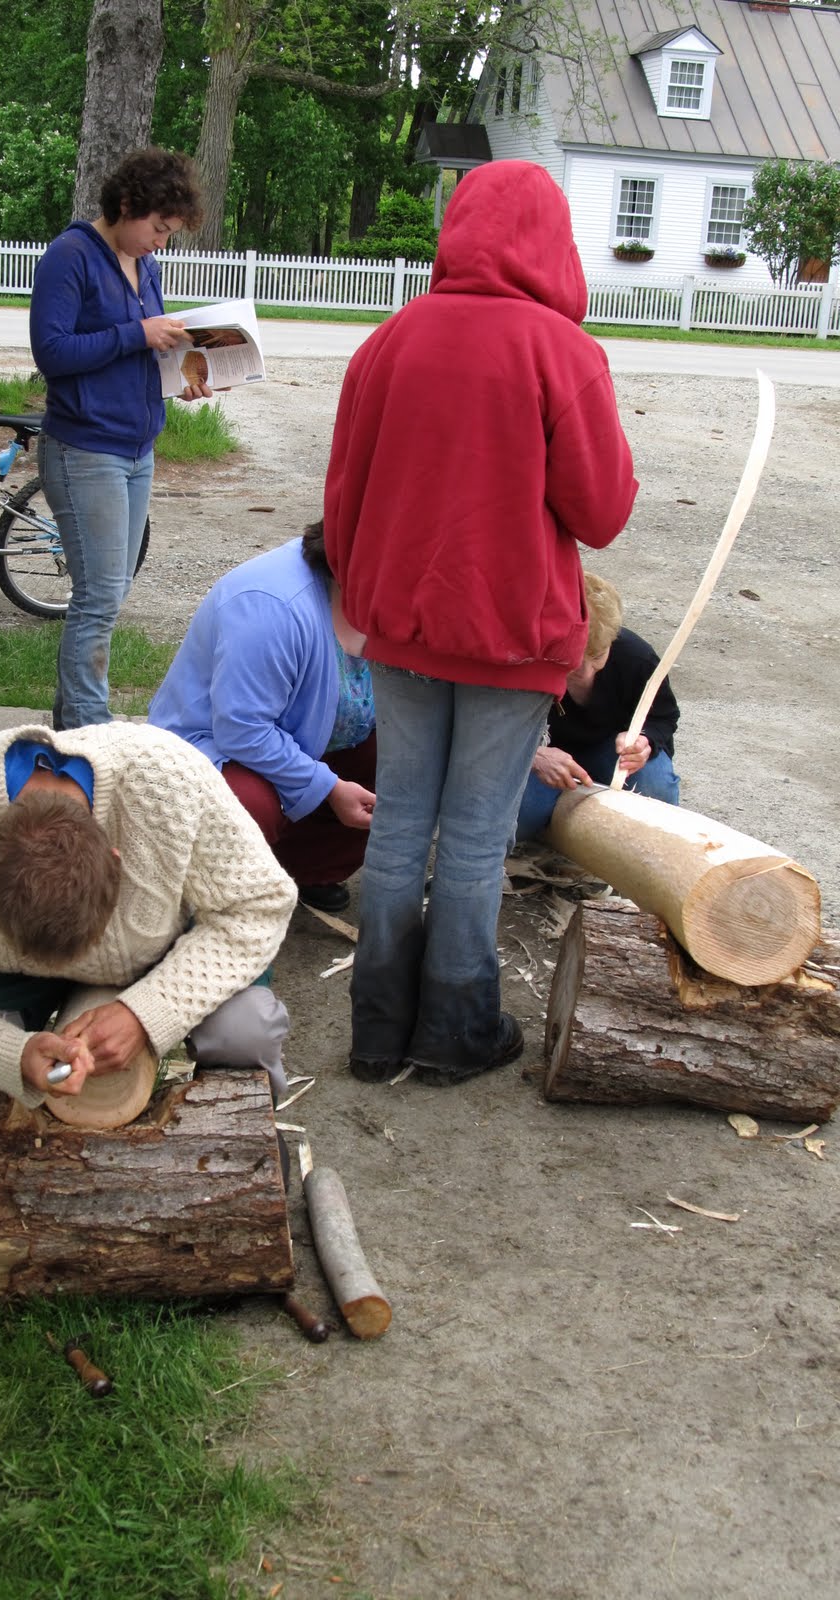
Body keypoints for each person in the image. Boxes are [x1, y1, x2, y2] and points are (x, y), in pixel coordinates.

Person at [323, 159, 638, 1088]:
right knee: (471, 834)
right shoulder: (563, 350)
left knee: (402, 822)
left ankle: (379, 1028)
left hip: (403, 626)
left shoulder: (391, 340)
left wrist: (363, 592)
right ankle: (456, 1027)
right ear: (553, 240)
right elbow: (602, 511)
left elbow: (345, 495)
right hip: (510, 630)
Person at [0, 722, 298, 1108]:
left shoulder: (170, 781)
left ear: (117, 858)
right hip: (12, 973)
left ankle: (242, 1136)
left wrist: (148, 1013)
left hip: (158, 950)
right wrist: (8, 1052)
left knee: (245, 1032)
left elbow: (260, 904)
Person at [30, 148, 206, 731]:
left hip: (136, 450)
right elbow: (52, 354)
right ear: (127, 205)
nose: (161, 241)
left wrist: (179, 375)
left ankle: (71, 730)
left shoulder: (143, 265)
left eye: (170, 233)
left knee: (109, 593)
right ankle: (89, 733)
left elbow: (138, 351)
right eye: (158, 227)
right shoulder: (71, 255)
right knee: (100, 596)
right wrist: (136, 333)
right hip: (85, 449)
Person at [148, 520, 376, 913]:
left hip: (309, 735)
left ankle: (303, 871)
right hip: (214, 746)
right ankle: (216, 902)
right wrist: (328, 787)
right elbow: (242, 730)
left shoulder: (385, 589)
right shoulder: (271, 604)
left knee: (396, 756)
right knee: (247, 802)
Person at [515, 572, 680, 840]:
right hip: (540, 757)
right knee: (519, 816)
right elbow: (487, 732)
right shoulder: (524, 658)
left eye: (598, 656)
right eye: (574, 661)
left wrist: (644, 740)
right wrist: (534, 755)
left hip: (608, 752)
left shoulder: (635, 657)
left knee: (656, 788)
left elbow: (663, 717)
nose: (587, 673)